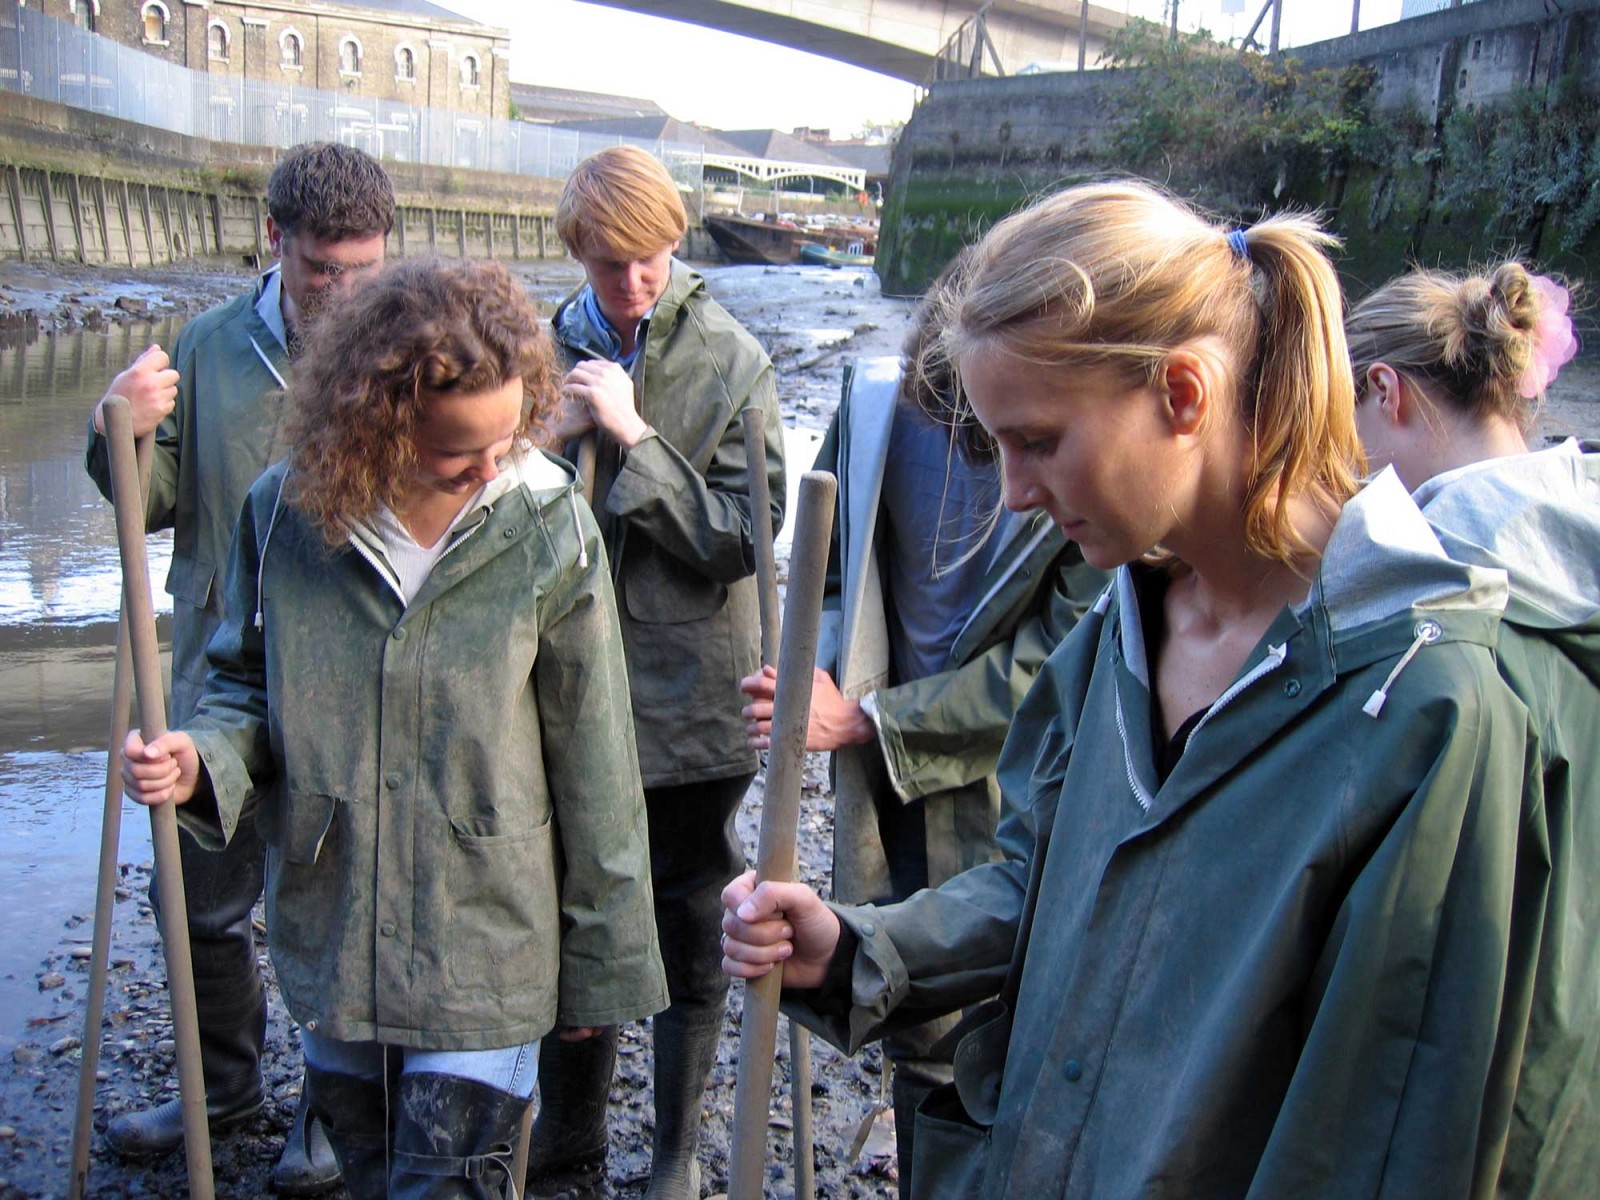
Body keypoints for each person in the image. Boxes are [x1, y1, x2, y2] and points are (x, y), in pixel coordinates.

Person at [720, 180, 1541, 1197]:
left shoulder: (1423, 711)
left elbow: (1390, 1133)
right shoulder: (1113, 637)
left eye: (1037, 441)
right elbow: (1037, 881)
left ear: (1183, 396)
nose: (1014, 493)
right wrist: (855, 944)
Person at [117, 257, 669, 1199]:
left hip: (489, 937)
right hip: (337, 926)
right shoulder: (285, 516)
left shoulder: (547, 526)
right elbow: (245, 688)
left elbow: (598, 763)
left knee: (451, 1183)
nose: (493, 466)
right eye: (459, 452)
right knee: (370, 1174)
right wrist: (197, 758)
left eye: (506, 437)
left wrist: (603, 961)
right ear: (377, 428)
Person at [739, 262, 1107, 1193]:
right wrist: (815, 679)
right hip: (889, 773)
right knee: (906, 993)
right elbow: (826, 567)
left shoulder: (1083, 466)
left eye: (1004, 440)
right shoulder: (870, 410)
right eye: (960, 431)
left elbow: (1052, 667)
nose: (1010, 481)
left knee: (1009, 1003)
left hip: (1010, 776)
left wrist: (868, 718)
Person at [84, 140, 394, 1193]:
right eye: (322, 270)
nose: (343, 293)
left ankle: (327, 1106)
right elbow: (147, 499)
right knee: (200, 900)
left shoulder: (398, 353)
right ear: (277, 242)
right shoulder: (206, 348)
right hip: (214, 672)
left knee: (326, 899)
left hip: (340, 683)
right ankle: (222, 1091)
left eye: (363, 270)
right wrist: (118, 424)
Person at [528, 145, 786, 1200]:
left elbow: (739, 540)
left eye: (647, 259)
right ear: (578, 256)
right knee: (569, 908)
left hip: (689, 706)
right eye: (605, 265)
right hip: (559, 689)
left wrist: (635, 442)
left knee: (688, 919)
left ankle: (674, 1153)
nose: (629, 283)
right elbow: (487, 508)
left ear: (676, 242)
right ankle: (570, 1135)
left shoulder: (733, 363)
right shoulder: (538, 348)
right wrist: (548, 439)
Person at [1348, 262, 1600, 1197]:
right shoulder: (1580, 528)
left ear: (1386, 389)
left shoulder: (1433, 593)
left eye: (1352, 424)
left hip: (1472, 1081)